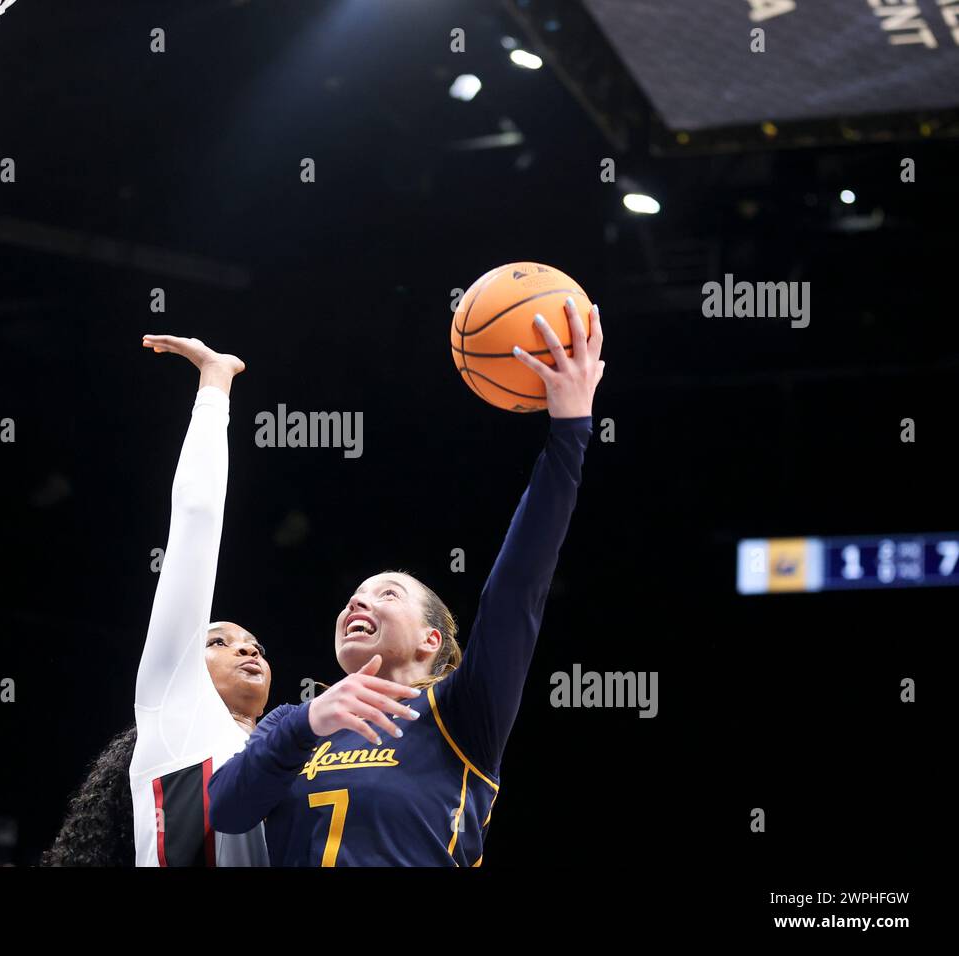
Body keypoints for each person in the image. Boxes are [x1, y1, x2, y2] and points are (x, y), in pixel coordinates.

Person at [208, 301, 604, 866]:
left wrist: (570, 430)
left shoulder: (461, 710)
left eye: (387, 594)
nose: (358, 602)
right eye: (354, 597)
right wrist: (308, 719)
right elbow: (226, 811)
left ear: (430, 641)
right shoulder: (291, 726)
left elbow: (518, 588)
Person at [44, 335, 271, 866]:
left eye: (255, 644)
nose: (249, 650)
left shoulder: (296, 755)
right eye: (220, 641)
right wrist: (214, 386)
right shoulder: (176, 705)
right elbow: (196, 519)